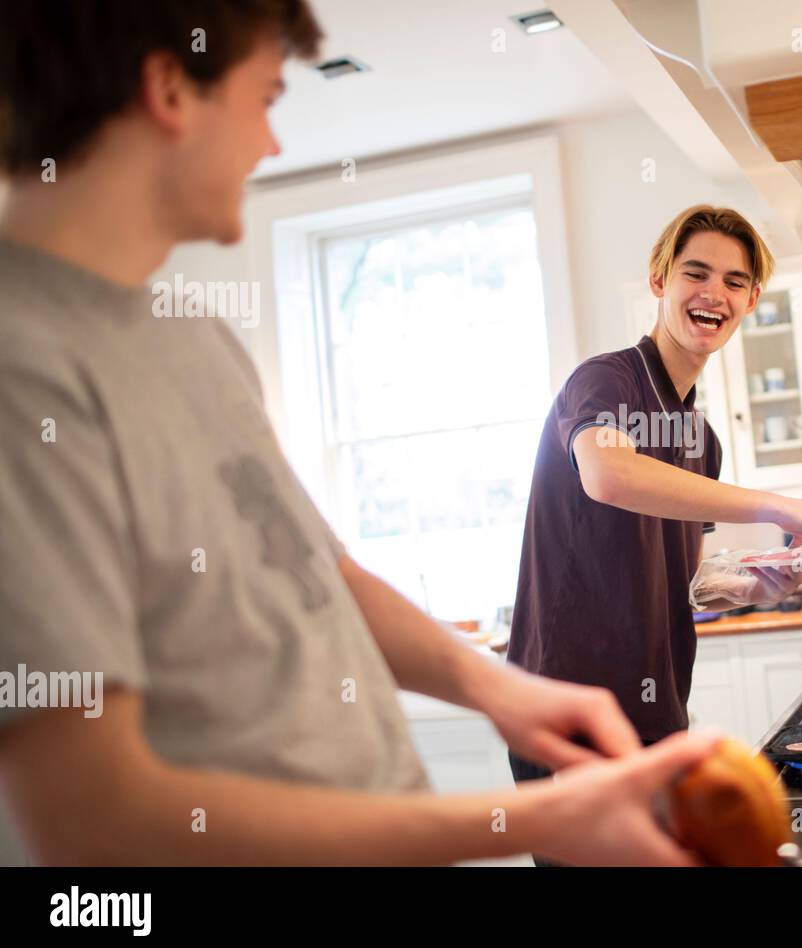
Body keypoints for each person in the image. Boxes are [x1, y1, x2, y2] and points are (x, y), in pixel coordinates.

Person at [0, 0, 718, 867]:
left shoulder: (197, 339)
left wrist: (507, 691)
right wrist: (528, 820)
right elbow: (95, 817)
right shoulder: (23, 369)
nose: (270, 143)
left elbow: (321, 569)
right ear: (168, 91)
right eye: (265, 98)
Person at [507, 204, 802, 786]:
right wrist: (780, 505)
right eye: (695, 273)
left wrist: (756, 584)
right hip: (568, 713)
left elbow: (688, 582)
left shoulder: (702, 439)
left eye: (735, 281)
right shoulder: (607, 381)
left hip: (656, 711)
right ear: (659, 281)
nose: (714, 293)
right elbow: (610, 475)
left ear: (751, 302)